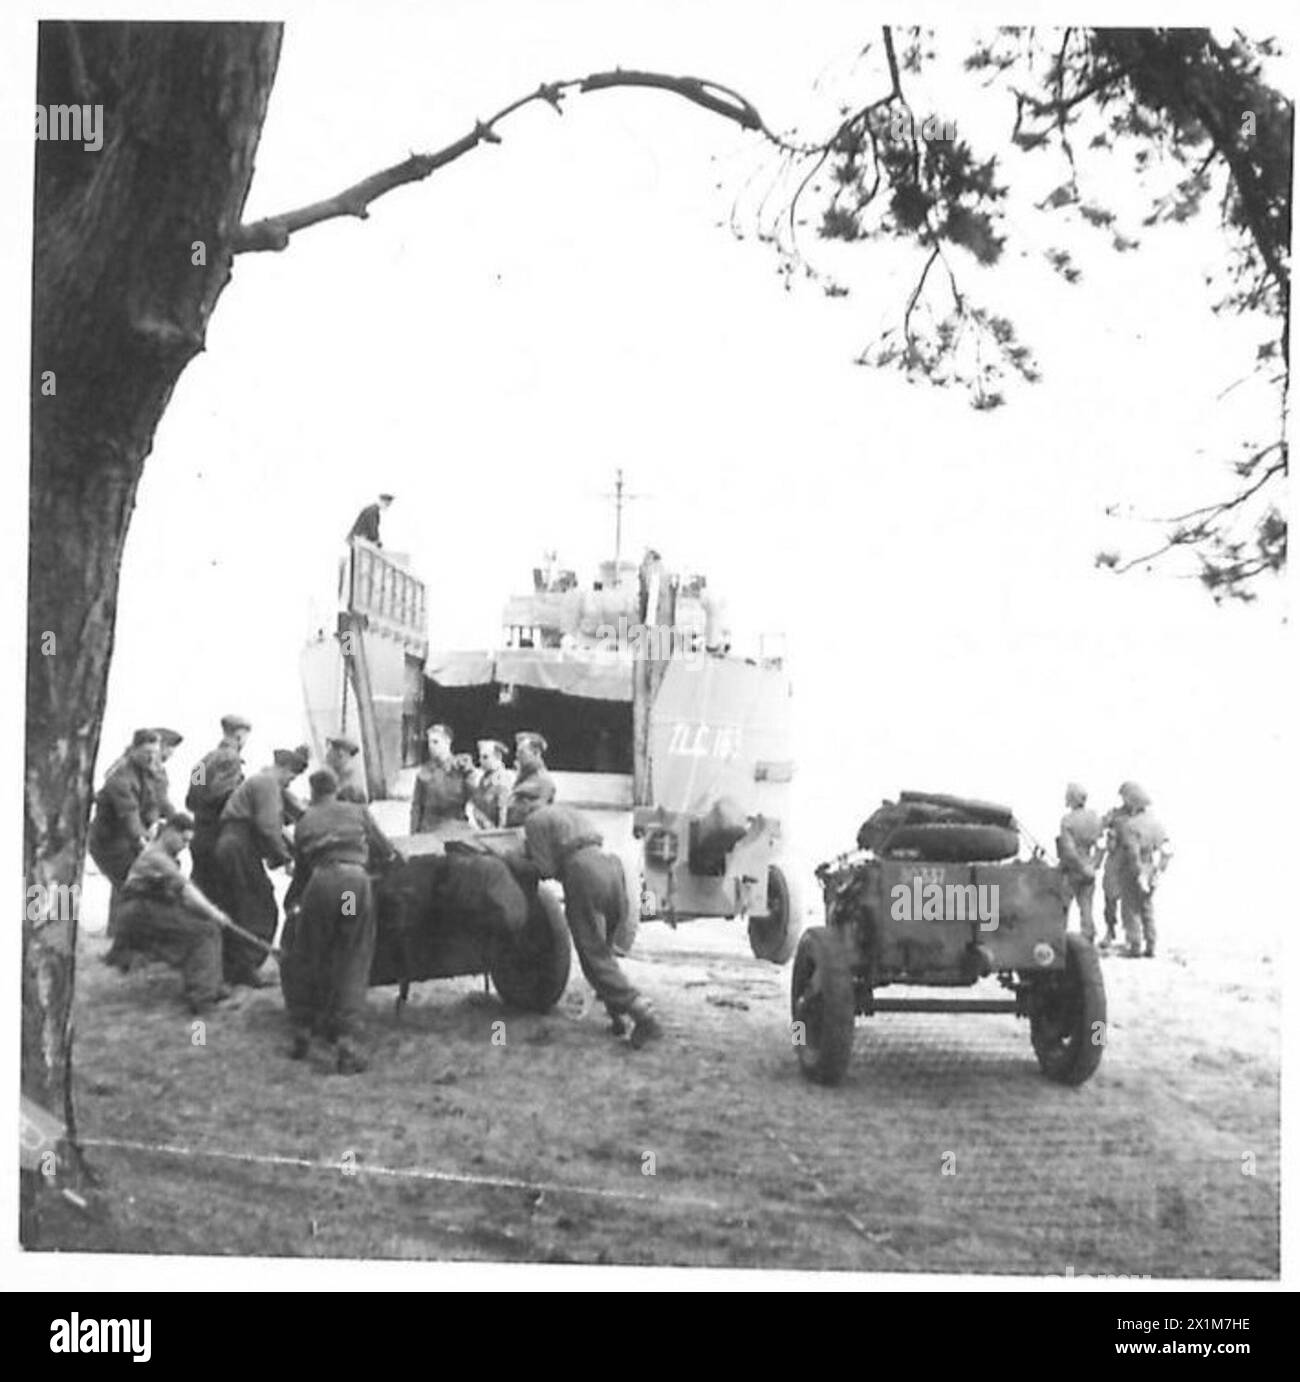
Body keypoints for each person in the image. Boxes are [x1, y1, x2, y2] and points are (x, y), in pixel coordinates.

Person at [280, 768, 402, 1073]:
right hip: (350, 888)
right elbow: (385, 851)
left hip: (319, 888)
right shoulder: (355, 811)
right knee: (351, 954)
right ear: (336, 789)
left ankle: (303, 1030)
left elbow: (302, 870)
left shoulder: (304, 821)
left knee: (312, 954)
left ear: (313, 792)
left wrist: (293, 903)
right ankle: (346, 1041)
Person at [521, 803, 662, 1048]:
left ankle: (642, 1013)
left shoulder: (533, 822)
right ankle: (618, 1019)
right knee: (604, 952)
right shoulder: (566, 813)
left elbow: (546, 868)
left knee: (593, 956)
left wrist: (522, 859)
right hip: (611, 867)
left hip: (582, 873)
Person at [114, 813, 232, 1014]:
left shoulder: (164, 857)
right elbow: (186, 890)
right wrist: (214, 912)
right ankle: (203, 999)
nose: (185, 846)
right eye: (183, 840)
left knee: (205, 926)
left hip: (148, 908)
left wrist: (207, 913)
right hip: (139, 911)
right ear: (169, 832)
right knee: (203, 933)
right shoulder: (156, 857)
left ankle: (210, 984)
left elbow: (184, 897)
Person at [213, 746, 308, 986]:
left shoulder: (261, 781)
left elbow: (281, 823)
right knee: (259, 905)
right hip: (238, 846)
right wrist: (286, 859)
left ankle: (232, 966)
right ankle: (246, 968)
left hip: (231, 844)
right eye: (291, 776)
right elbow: (268, 826)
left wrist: (287, 849)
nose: (290, 782)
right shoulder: (267, 785)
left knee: (238, 905)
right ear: (283, 768)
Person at [88, 729, 163, 968]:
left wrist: (178, 821)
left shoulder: (149, 772)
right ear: (134, 749)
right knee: (134, 888)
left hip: (125, 839)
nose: (153, 758)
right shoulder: (121, 776)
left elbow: (156, 803)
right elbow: (130, 819)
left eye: (156, 752)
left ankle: (127, 947)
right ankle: (123, 952)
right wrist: (148, 848)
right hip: (109, 842)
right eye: (148, 752)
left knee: (132, 887)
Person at [186, 714, 251, 908]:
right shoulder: (231, 759)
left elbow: (192, 797)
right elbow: (223, 794)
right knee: (217, 896)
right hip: (216, 833)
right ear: (240, 735)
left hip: (199, 831)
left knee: (198, 890)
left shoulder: (203, 761)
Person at [1114, 781, 1172, 959]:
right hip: (1150, 868)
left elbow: (1132, 853)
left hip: (1132, 870)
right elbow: (1167, 850)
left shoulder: (1129, 826)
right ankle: (1151, 944)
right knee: (1147, 908)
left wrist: (1139, 873)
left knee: (1130, 909)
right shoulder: (1156, 824)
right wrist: (1158, 870)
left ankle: (1135, 945)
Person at [1057, 782, 1102, 944]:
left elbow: (1068, 850)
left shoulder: (1067, 820)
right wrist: (1094, 864)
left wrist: (1078, 867)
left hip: (1072, 869)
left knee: (1061, 906)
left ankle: (1058, 938)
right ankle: (1089, 937)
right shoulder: (1095, 818)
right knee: (1087, 906)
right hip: (1089, 865)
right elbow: (1102, 844)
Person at [409, 723, 472, 833]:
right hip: (429, 830)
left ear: (448, 742)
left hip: (456, 829)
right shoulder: (424, 772)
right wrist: (413, 834)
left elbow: (475, 799)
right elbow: (417, 807)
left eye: (435, 742)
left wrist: (470, 773)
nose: (431, 746)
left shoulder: (461, 768)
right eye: (429, 742)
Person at [505, 731, 556, 826]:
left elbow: (536, 817)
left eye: (521, 752)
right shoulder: (525, 777)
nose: (516, 755)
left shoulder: (542, 782)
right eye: (517, 751)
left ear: (535, 753)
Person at [469, 739, 513, 829]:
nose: (481, 761)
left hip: (495, 831)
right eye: (480, 757)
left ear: (498, 757)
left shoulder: (502, 779)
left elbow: (503, 811)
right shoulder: (483, 778)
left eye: (485, 757)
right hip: (481, 828)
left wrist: (499, 832)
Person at [325, 733, 368, 803]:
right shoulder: (339, 777)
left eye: (330, 750)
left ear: (340, 753)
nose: (327, 755)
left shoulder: (350, 783)